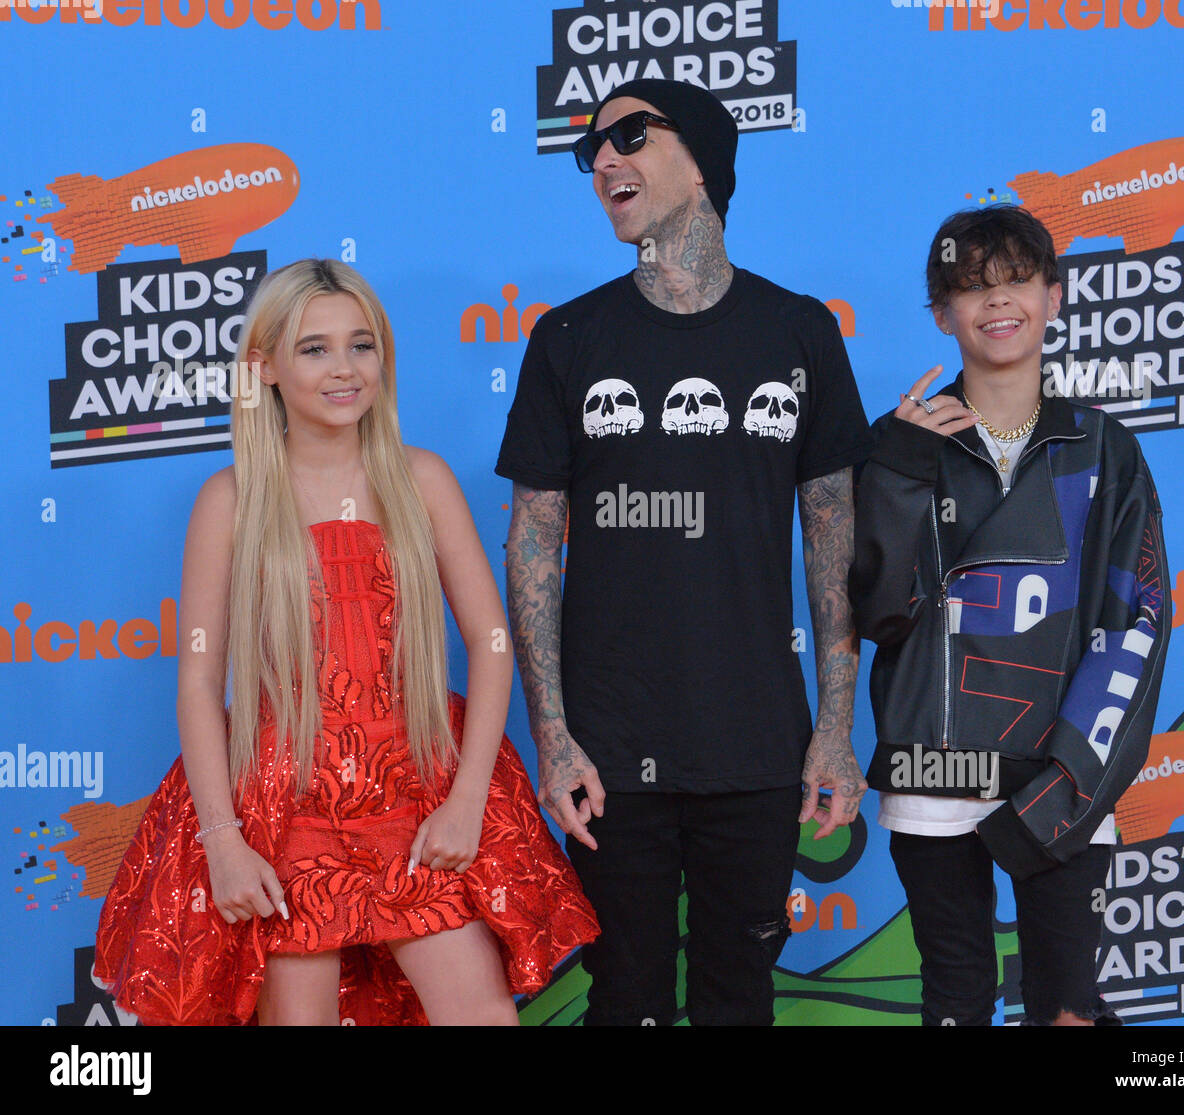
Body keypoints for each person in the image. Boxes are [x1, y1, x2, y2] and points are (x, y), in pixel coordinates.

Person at [94, 259, 597, 1026]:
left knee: (482, 1014)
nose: (344, 369)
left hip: (418, 788)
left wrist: (466, 802)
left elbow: (492, 644)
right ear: (263, 366)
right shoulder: (230, 500)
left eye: (361, 345)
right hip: (285, 806)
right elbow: (198, 684)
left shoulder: (421, 479)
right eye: (314, 348)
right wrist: (225, 843)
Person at [496, 78, 872, 1026]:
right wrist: (552, 734)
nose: (604, 161)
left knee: (737, 1000)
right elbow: (535, 540)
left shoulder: (799, 332)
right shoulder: (568, 338)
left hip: (755, 744)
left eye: (629, 134)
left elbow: (835, 546)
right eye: (592, 150)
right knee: (624, 1000)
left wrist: (836, 724)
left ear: (703, 157)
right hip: (609, 753)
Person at [848, 204, 1170, 1026]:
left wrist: (1073, 771)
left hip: (1056, 769)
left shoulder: (1103, 447)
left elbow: (1136, 619)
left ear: (1054, 297)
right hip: (934, 773)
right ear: (941, 316)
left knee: (1067, 1007)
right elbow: (881, 614)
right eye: (971, 287)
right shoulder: (901, 444)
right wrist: (900, 475)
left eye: (1017, 280)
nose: (998, 302)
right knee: (955, 999)